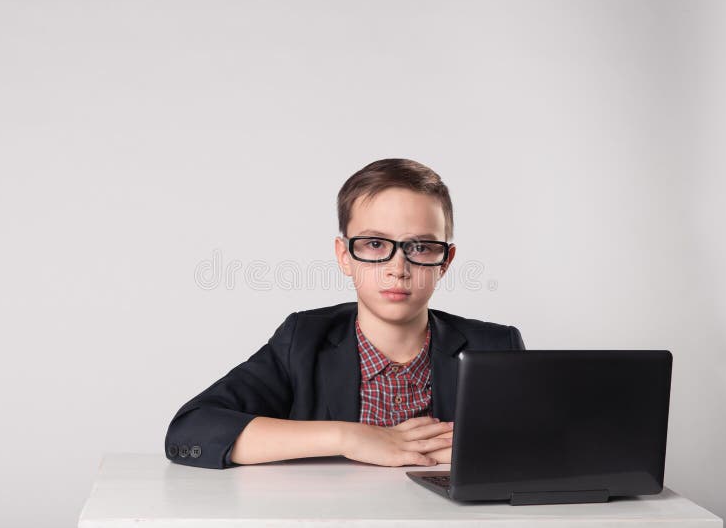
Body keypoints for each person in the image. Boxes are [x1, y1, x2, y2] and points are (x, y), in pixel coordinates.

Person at [164, 158, 526, 469]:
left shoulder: (494, 347)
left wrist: (481, 449)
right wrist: (348, 437)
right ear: (344, 256)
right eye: (375, 244)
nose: (397, 268)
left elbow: (543, 448)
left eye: (420, 247)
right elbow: (191, 432)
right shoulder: (303, 341)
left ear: (445, 261)